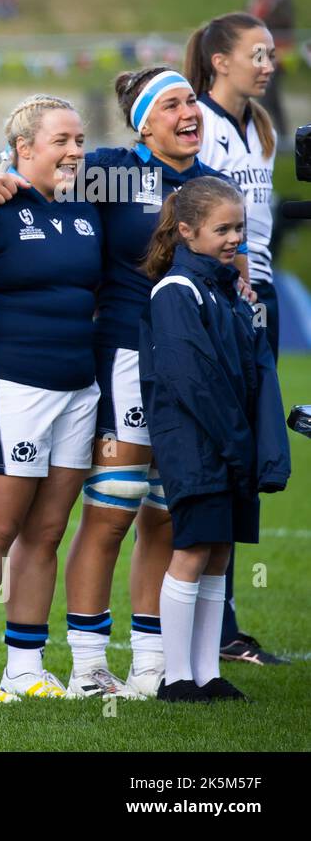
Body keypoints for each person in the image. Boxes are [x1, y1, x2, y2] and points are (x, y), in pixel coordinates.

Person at [0, 68, 230, 698]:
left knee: (170, 512)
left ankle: (153, 664)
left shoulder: (208, 184)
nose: (188, 112)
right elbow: (30, 173)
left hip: (195, 358)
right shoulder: (109, 169)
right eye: (171, 104)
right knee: (114, 507)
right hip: (123, 352)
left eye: (192, 100)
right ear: (144, 121)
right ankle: (88, 664)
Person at [0, 95, 102, 701]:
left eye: (80, 141)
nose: (74, 152)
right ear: (24, 148)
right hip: (6, 382)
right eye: (61, 140)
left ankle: (26, 666)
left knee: (47, 531)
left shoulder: (90, 210)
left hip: (77, 386)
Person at [139, 176, 289, 701]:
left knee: (219, 554)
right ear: (186, 232)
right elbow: (189, 379)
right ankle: (176, 677)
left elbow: (252, 370)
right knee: (192, 550)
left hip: (232, 441)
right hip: (198, 443)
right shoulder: (176, 291)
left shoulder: (228, 292)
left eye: (239, 229)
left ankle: (207, 672)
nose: (233, 239)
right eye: (222, 229)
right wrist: (234, 441)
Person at [186, 12, 288, 667]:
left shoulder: (259, 126)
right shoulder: (200, 124)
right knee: (221, 458)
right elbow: (208, 223)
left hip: (263, 296)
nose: (269, 63)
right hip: (230, 300)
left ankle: (221, 623)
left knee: (247, 459)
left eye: (272, 53)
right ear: (219, 61)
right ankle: (211, 627)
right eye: (257, 53)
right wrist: (236, 291)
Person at [246, 0, 294, 136]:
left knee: (269, 94)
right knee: (265, 92)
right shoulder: (255, 0)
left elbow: (285, 21)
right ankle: (274, 133)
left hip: (278, 51)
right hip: (259, 50)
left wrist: (262, 20)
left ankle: (275, 133)